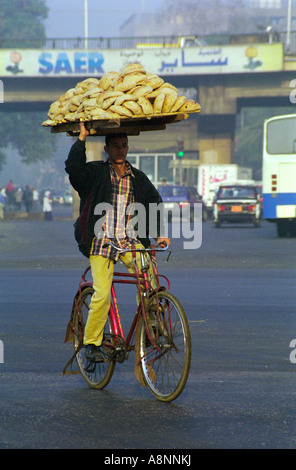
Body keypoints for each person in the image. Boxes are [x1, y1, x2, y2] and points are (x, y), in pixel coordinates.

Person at [65, 123, 170, 363]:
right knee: (102, 293)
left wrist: (158, 234)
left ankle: (151, 328)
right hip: (100, 241)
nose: (120, 150)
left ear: (128, 148)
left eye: (124, 146)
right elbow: (73, 169)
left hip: (129, 240)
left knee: (150, 280)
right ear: (107, 149)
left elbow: (153, 203)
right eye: (115, 146)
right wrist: (81, 139)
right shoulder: (95, 174)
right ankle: (91, 344)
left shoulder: (138, 178)